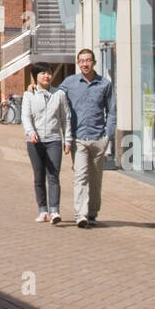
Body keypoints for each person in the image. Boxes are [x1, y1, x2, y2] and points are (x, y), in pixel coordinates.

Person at [56, 48, 115, 229]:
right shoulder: (69, 83)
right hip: (79, 139)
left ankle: (92, 213)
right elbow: (54, 97)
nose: (84, 64)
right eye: (81, 61)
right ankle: (80, 214)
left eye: (88, 60)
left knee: (96, 179)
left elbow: (111, 110)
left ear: (94, 62)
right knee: (81, 176)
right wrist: (34, 87)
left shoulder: (104, 84)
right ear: (78, 63)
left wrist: (108, 135)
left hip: (98, 138)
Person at [21, 62, 71, 225]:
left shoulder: (59, 94)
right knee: (38, 176)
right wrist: (31, 132)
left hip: (54, 140)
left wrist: (67, 139)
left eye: (49, 73)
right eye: (42, 73)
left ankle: (54, 211)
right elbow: (26, 116)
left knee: (54, 176)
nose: (47, 76)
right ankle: (42, 210)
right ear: (36, 76)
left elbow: (65, 118)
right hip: (35, 141)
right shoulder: (29, 95)